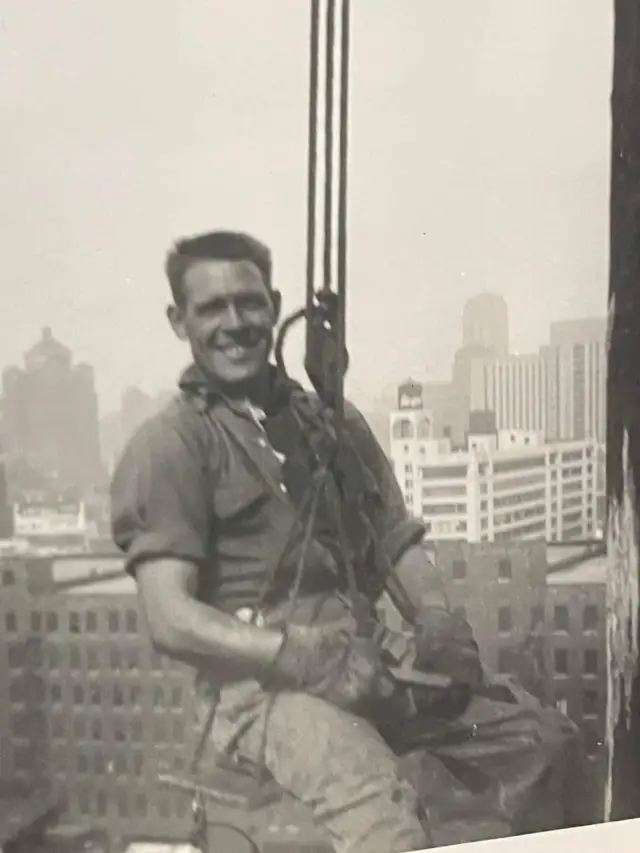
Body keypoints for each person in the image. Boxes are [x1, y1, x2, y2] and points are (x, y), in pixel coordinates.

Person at [111, 231, 590, 853]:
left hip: (367, 659)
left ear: (275, 303)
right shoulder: (172, 445)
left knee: (546, 745)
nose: (235, 323)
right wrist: (291, 652)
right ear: (180, 321)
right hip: (259, 691)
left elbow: (393, 536)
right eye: (211, 309)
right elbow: (169, 618)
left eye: (250, 303)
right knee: (383, 818)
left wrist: (438, 619)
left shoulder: (328, 422)